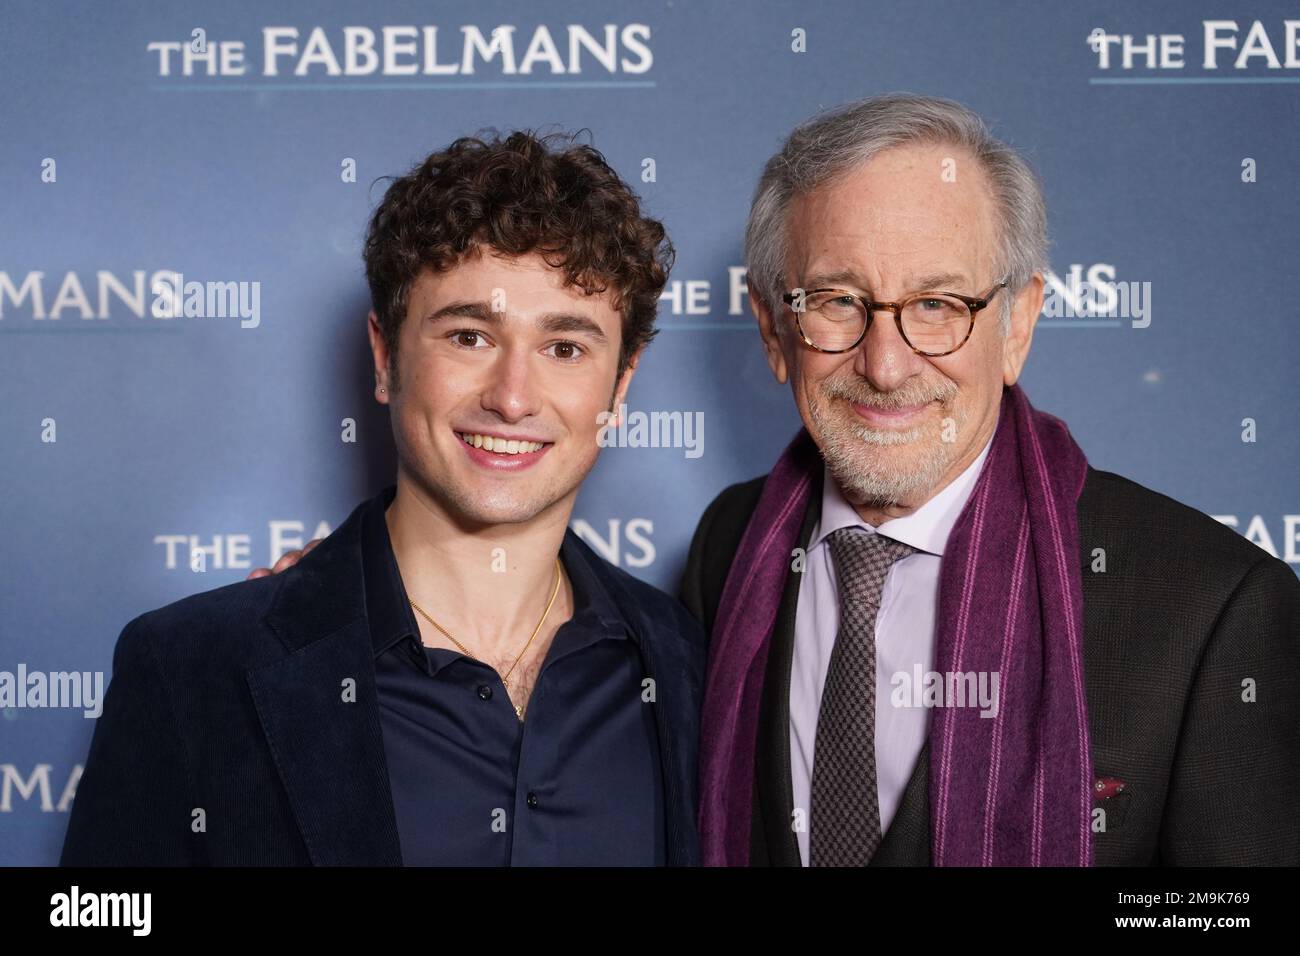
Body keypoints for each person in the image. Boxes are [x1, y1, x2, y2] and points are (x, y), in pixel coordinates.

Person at [679, 92, 1300, 866]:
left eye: (938, 304)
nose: (886, 363)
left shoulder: (1214, 607)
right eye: (837, 301)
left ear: (1018, 326)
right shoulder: (726, 550)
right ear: (775, 328)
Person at [60, 130, 705, 867]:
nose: (513, 397)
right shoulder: (192, 670)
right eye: (469, 336)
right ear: (385, 355)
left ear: (620, 386)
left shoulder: (694, 672)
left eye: (565, 348)